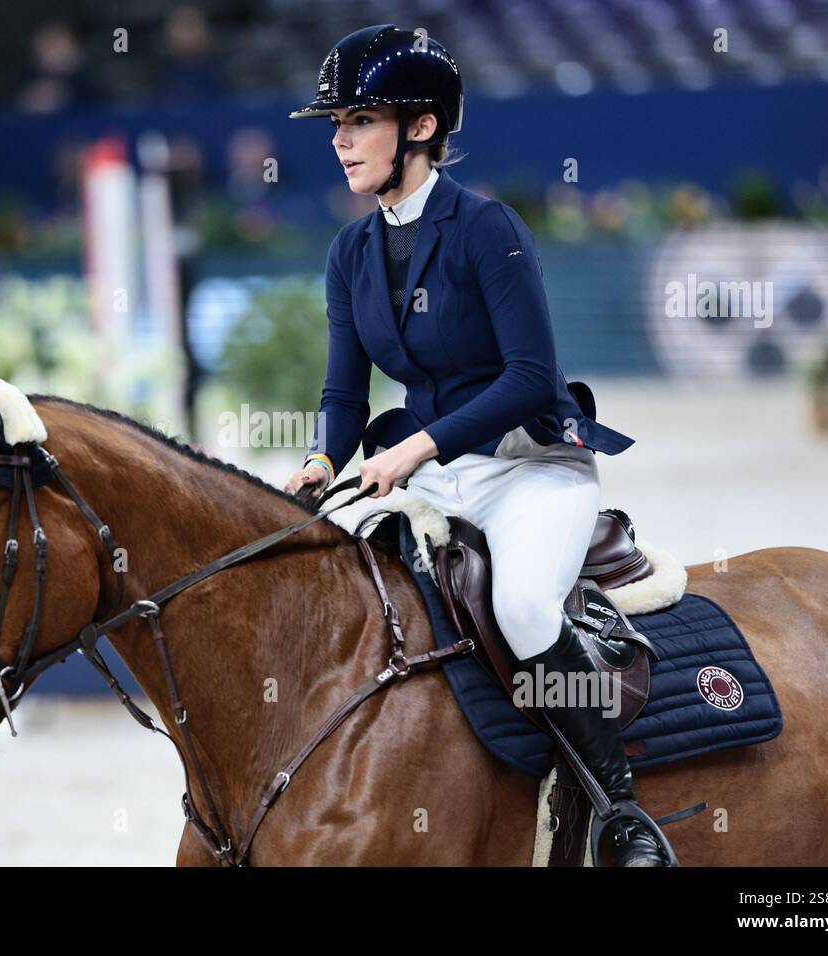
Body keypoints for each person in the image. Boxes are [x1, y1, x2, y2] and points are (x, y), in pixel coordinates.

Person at [281, 24, 669, 866]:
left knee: (524, 607)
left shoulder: (489, 227)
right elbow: (346, 394)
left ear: (420, 128)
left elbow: (532, 376)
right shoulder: (350, 251)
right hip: (433, 473)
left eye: (359, 120)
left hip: (530, 468)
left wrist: (416, 447)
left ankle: (621, 812)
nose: (339, 140)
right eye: (335, 123)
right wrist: (320, 460)